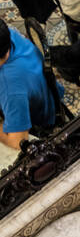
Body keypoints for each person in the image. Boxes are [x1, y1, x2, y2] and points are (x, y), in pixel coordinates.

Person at [0, 18, 56, 150]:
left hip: (41, 123)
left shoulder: (11, 91)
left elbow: (19, 142)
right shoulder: (8, 34)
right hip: (44, 92)